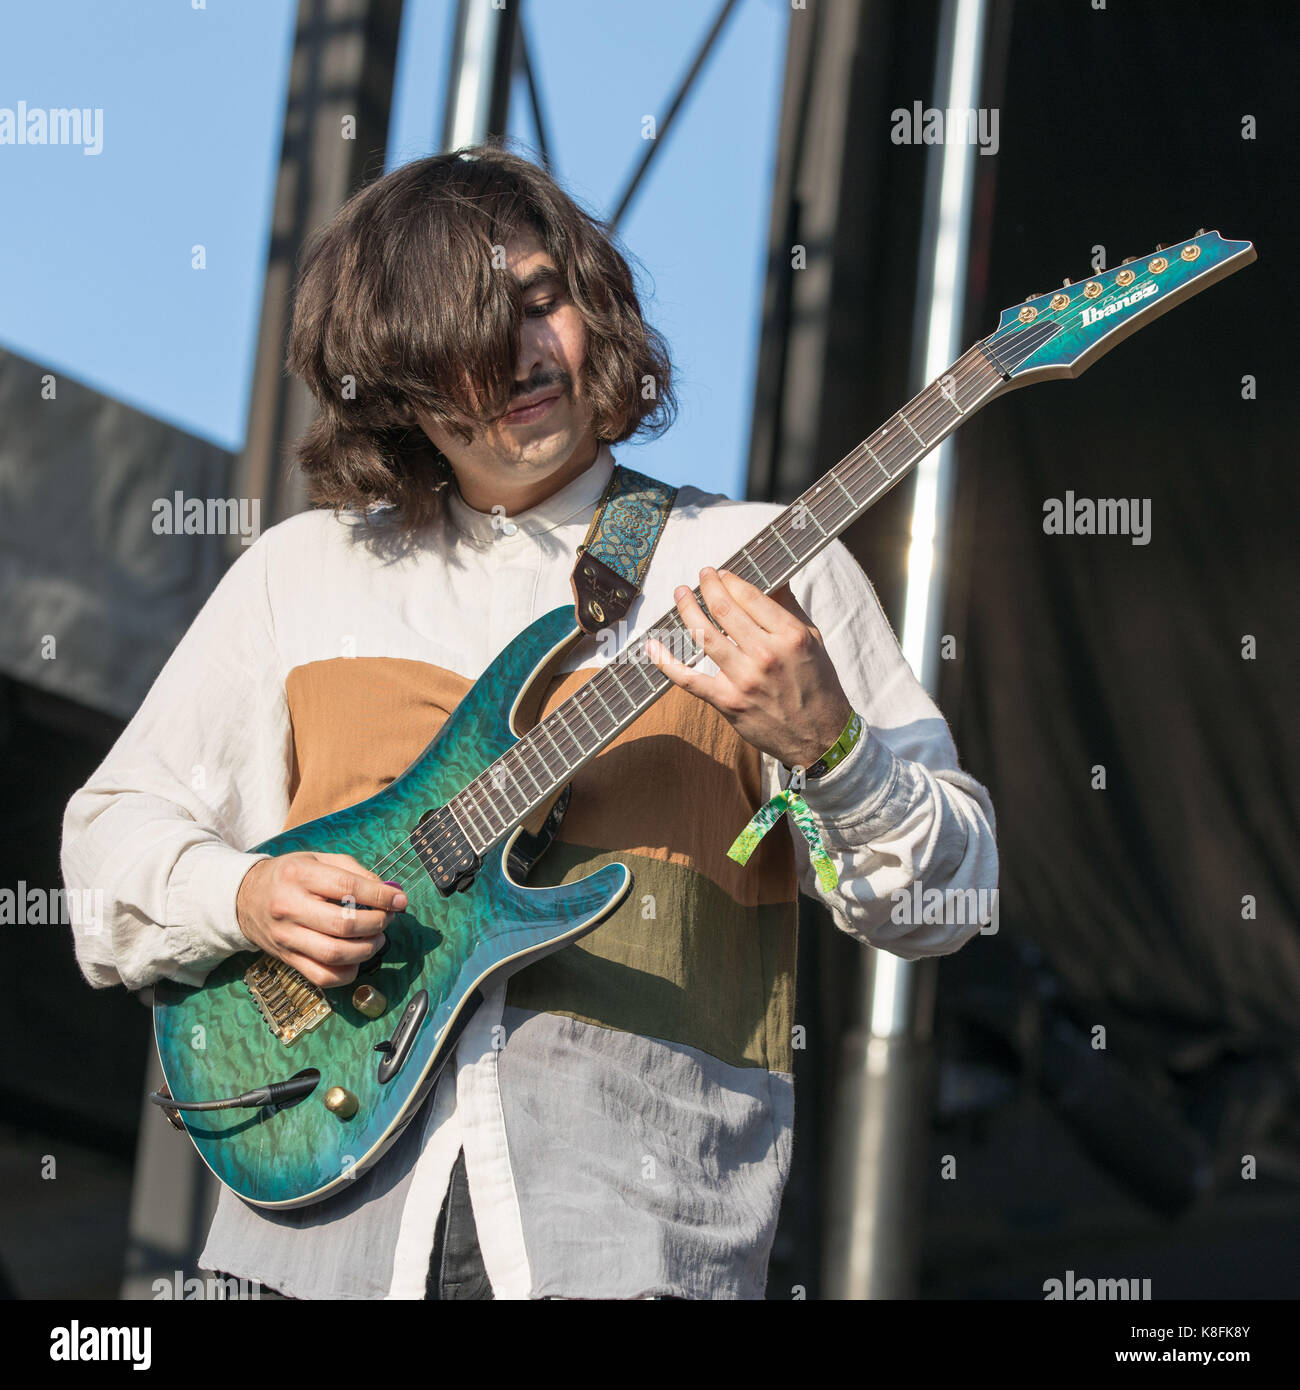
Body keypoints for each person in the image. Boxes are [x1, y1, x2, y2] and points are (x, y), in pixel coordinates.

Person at [61, 145, 997, 1300]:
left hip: (626, 1240)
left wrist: (835, 752)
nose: (520, 357)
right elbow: (103, 854)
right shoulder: (302, 576)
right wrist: (244, 894)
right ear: (397, 386)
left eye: (540, 300)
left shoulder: (753, 568)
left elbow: (952, 896)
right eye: (466, 338)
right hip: (307, 1255)